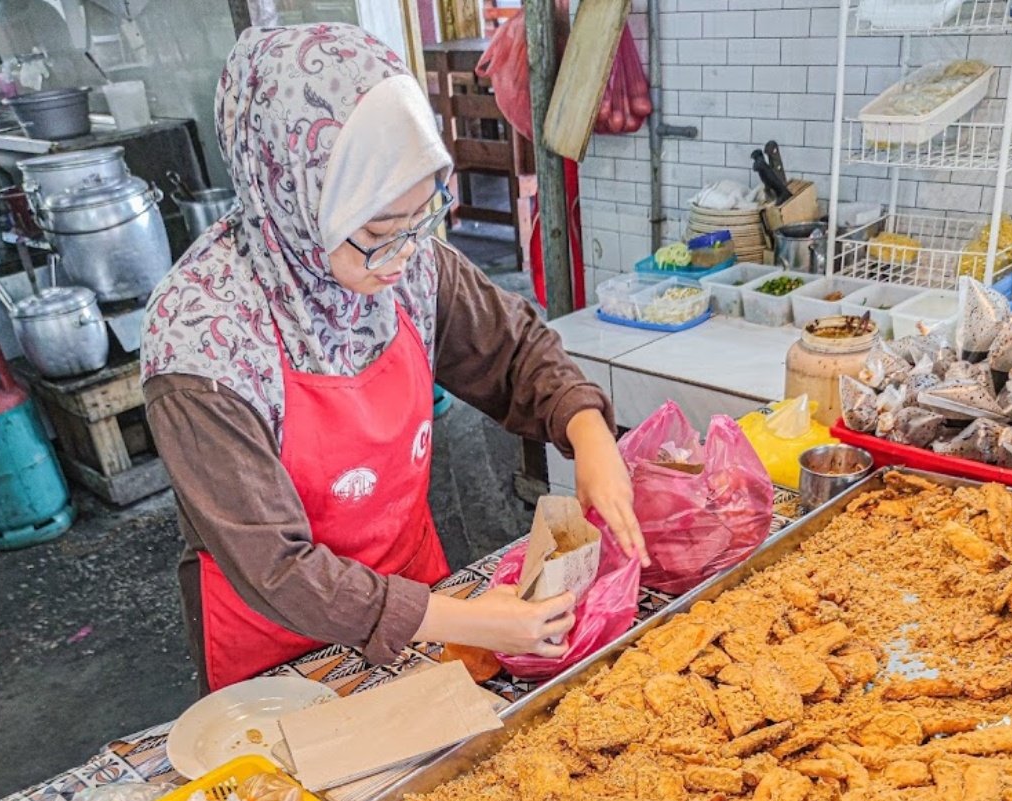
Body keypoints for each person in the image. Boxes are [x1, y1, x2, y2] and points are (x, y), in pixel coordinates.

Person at [142, 22, 645, 694]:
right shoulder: (203, 344)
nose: (407, 254)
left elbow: (515, 350)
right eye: (380, 234)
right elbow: (277, 569)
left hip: (419, 593)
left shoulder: (407, 264)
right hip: (282, 645)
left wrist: (588, 432)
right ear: (294, 197)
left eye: (422, 219)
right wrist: (465, 620)